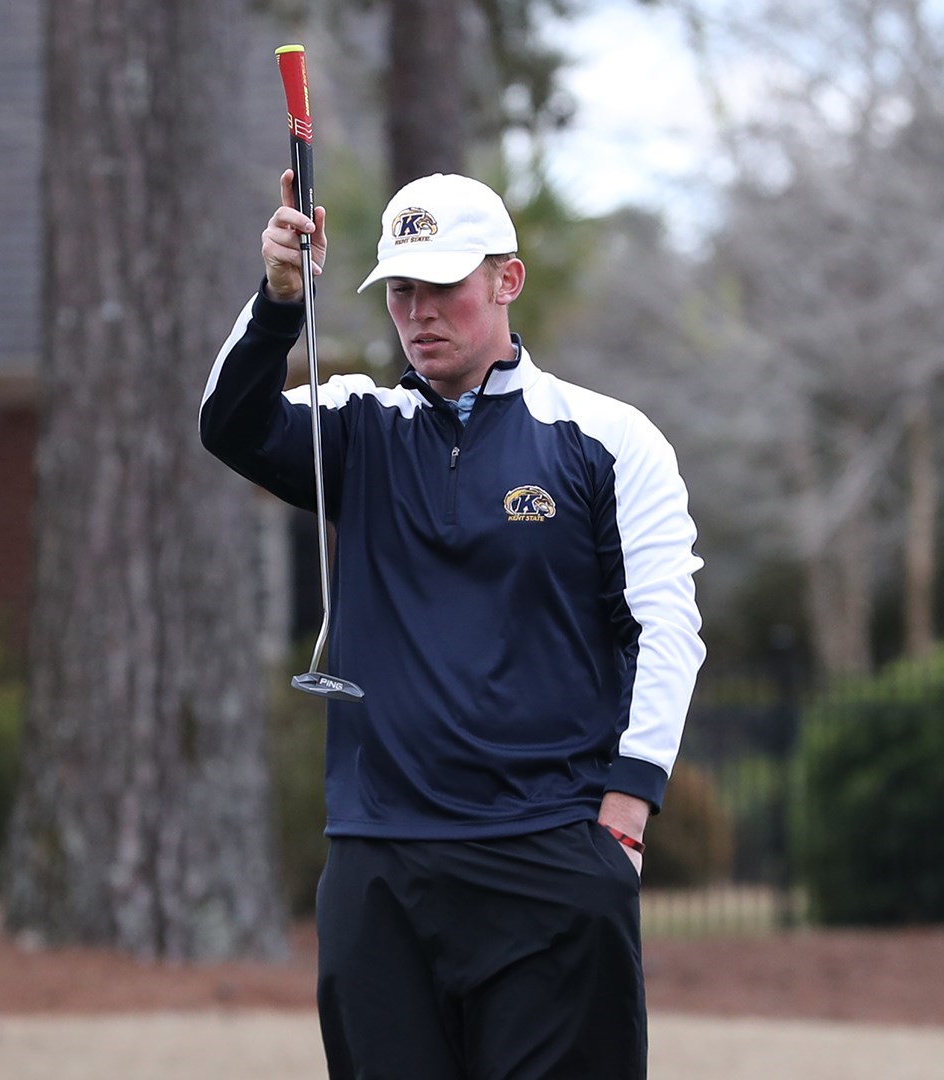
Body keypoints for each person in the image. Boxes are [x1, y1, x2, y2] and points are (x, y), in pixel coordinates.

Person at [199, 169, 705, 1079]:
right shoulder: (357, 424)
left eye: (442, 285)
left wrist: (627, 812)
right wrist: (279, 302)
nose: (419, 312)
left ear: (507, 280)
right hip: (380, 865)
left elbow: (666, 626)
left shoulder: (608, 438)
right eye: (401, 289)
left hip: (550, 854)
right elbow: (229, 424)